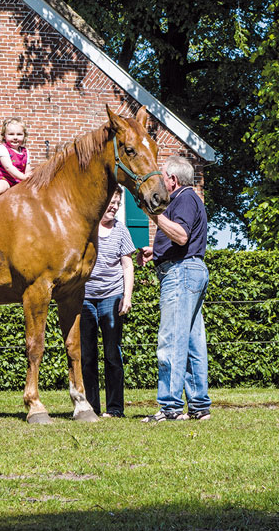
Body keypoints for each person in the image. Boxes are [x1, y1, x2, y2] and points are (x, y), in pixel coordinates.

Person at [137, 155, 210, 422]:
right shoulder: (190, 200)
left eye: (163, 175)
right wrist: (155, 253)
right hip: (188, 269)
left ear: (173, 180)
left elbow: (180, 235)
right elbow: (181, 240)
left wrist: (154, 215)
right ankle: (199, 406)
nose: (160, 181)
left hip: (180, 273)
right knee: (191, 342)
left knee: (170, 341)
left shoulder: (185, 198)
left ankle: (169, 407)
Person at [80, 190, 136, 418]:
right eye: (111, 203)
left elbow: (127, 265)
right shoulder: (87, 228)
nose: (114, 207)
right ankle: (91, 408)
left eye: (117, 203)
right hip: (85, 298)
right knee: (87, 355)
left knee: (113, 354)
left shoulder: (121, 230)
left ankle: (115, 409)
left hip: (111, 297)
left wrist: (127, 296)